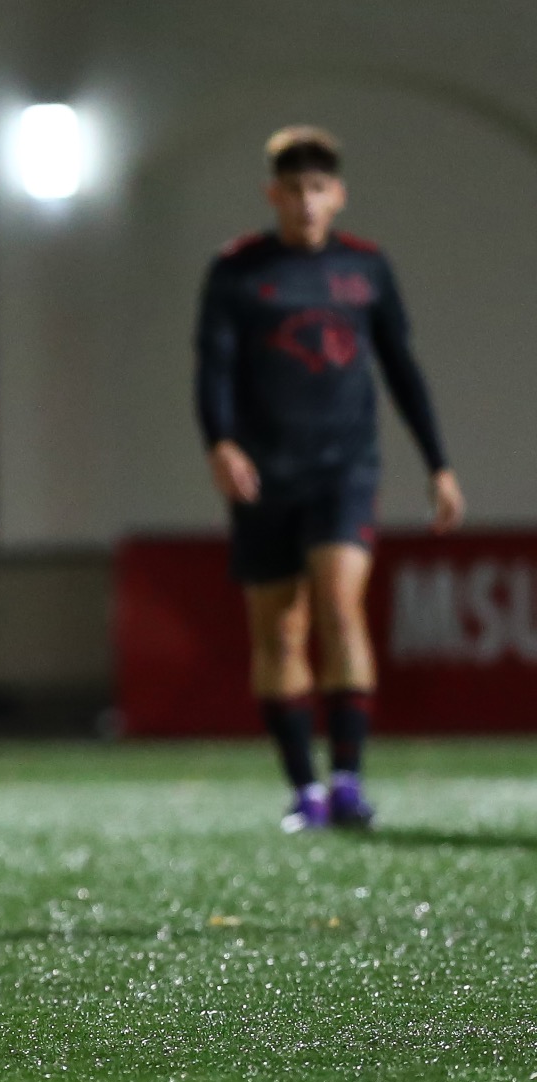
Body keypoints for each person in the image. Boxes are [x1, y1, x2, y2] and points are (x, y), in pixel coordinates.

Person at [193, 125, 464, 833]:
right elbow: (213, 368)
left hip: (344, 466)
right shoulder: (239, 270)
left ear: (337, 194)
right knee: (281, 631)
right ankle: (303, 789)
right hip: (265, 473)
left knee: (340, 608)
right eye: (293, 190)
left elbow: (401, 368)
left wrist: (438, 462)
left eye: (318, 189)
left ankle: (347, 779)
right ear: (272, 195)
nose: (307, 203)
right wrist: (220, 441)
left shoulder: (366, 269)